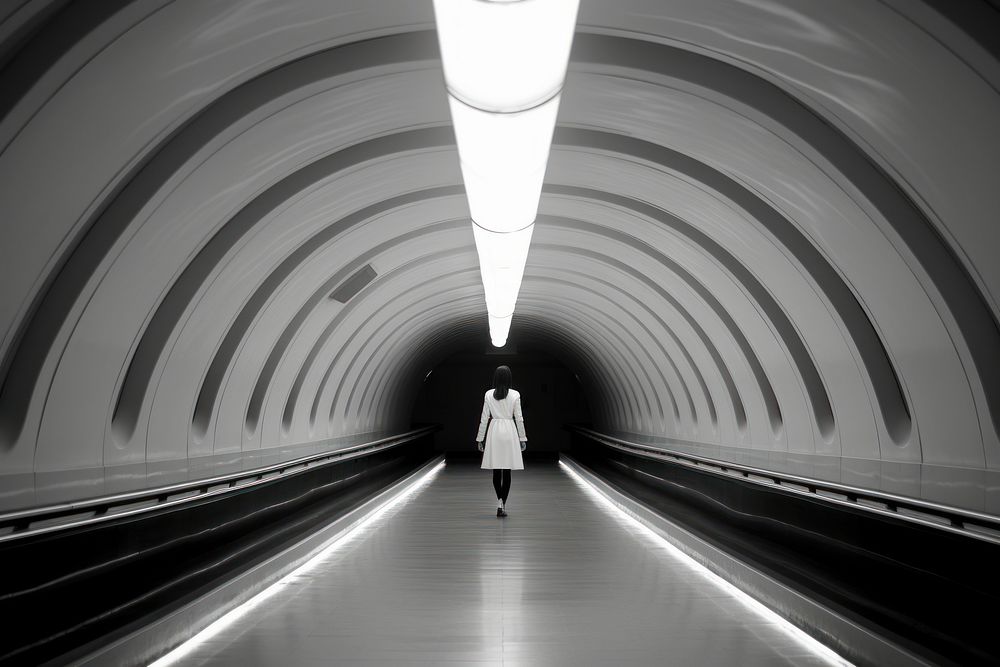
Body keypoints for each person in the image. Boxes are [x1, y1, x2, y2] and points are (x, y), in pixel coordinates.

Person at [476, 365, 527, 517]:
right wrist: (522, 438)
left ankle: (499, 500)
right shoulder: (515, 394)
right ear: (509, 378)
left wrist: (480, 438)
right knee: (507, 470)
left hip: (494, 431)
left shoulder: (488, 394)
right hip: (510, 431)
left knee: (496, 470)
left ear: (495, 378)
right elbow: (519, 418)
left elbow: (484, 418)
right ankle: (503, 503)